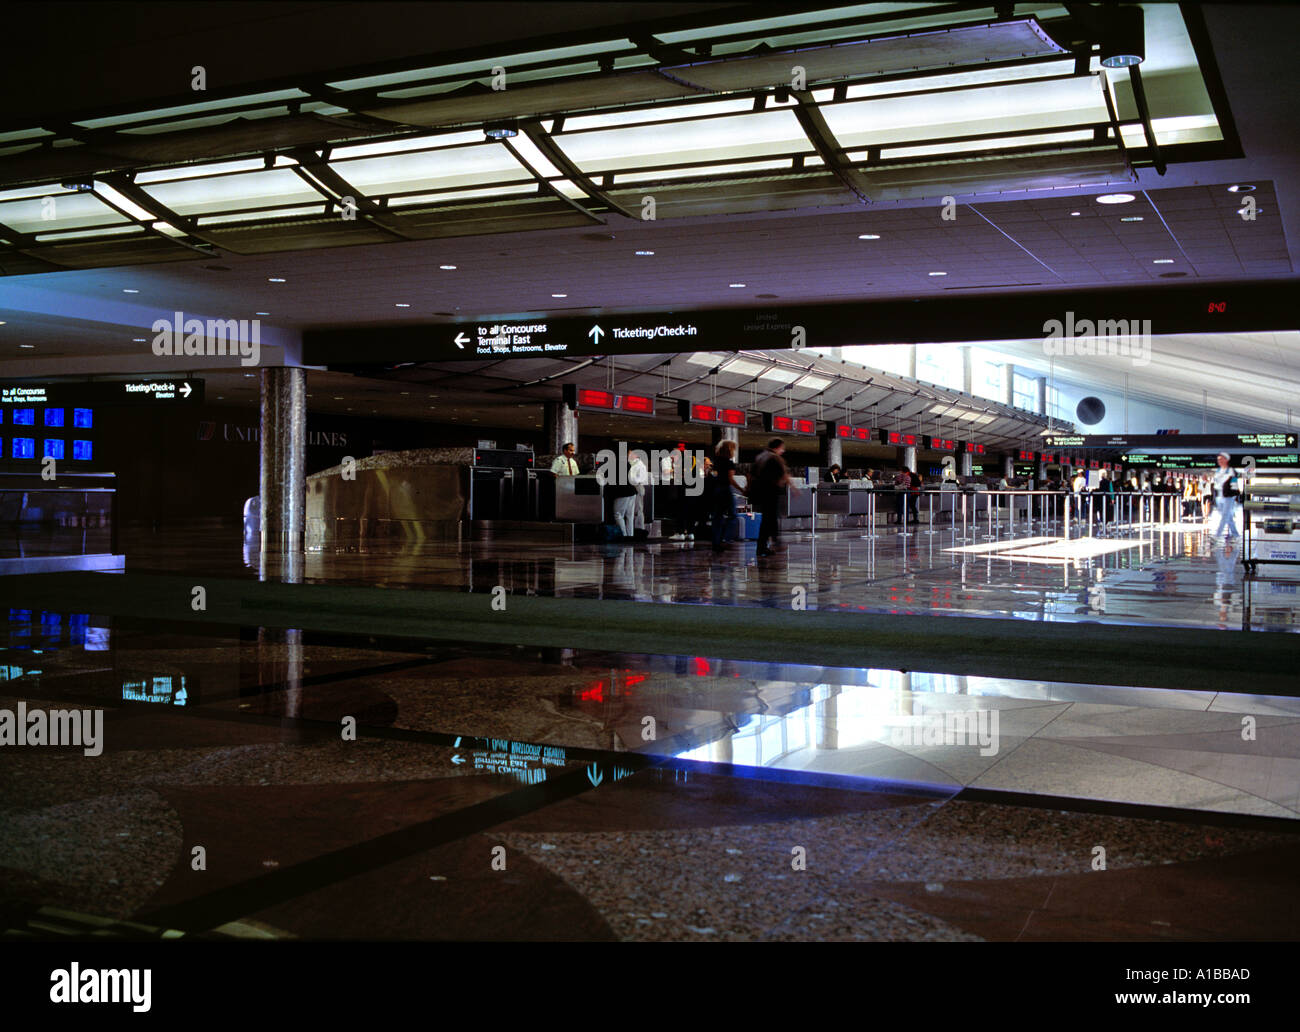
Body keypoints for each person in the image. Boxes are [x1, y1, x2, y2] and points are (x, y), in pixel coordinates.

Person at [750, 438, 791, 557]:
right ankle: (774, 542)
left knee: (767, 520)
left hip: (760, 493)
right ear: (777, 447)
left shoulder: (760, 457)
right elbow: (784, 474)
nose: (783, 450)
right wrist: (793, 488)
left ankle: (763, 546)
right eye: (782, 448)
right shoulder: (774, 458)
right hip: (771, 492)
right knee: (770, 519)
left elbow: (751, 474)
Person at [709, 439, 747, 553]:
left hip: (716, 491)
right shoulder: (729, 463)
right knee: (733, 515)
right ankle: (726, 539)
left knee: (717, 517)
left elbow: (714, 476)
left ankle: (716, 542)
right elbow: (730, 479)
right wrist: (741, 489)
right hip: (726, 490)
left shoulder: (716, 461)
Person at [1210, 451, 1241, 540]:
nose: (1219, 461)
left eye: (1221, 459)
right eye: (1218, 459)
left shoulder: (1230, 471)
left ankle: (1217, 535)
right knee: (1228, 517)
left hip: (1228, 497)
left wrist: (1234, 495)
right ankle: (1236, 535)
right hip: (1219, 496)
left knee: (1224, 516)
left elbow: (1233, 484)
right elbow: (1216, 483)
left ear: (1226, 459)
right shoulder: (1218, 471)